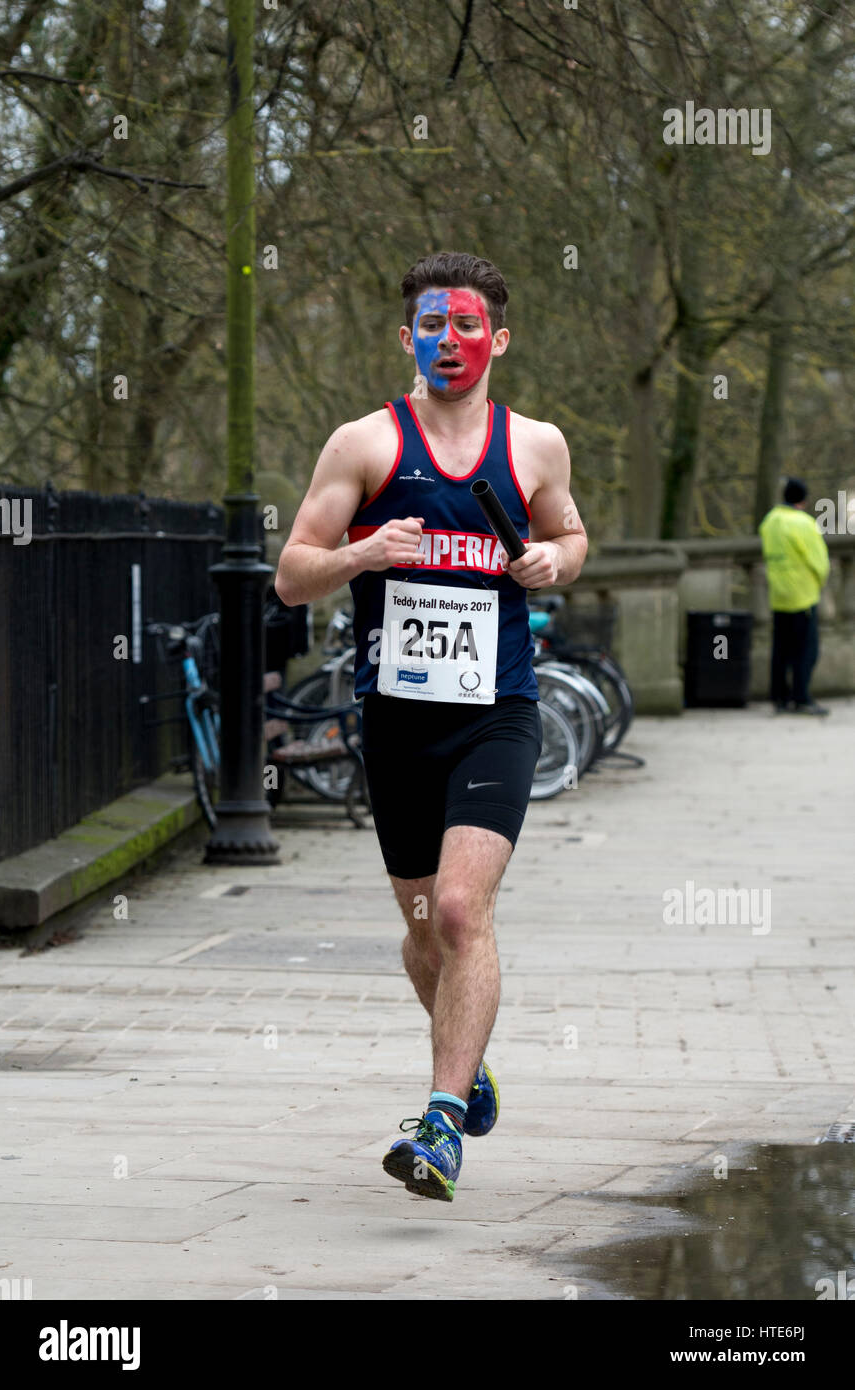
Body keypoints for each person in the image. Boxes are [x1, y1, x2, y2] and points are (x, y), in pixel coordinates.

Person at [275, 251, 587, 1202]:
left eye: (464, 327)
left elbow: (571, 536)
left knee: (460, 909)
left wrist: (551, 565)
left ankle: (441, 1122)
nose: (446, 342)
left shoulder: (534, 445)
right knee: (422, 930)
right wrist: (365, 550)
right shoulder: (364, 444)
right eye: (429, 325)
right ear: (406, 334)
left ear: (498, 338)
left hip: (498, 712)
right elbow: (291, 571)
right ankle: (471, 1061)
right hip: (397, 721)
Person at [758, 477, 830, 715]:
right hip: (802, 596)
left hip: (779, 595)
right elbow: (819, 561)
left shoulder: (770, 522)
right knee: (806, 651)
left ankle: (779, 697)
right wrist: (819, 582)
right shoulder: (804, 524)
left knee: (780, 649)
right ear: (803, 500)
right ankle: (801, 697)